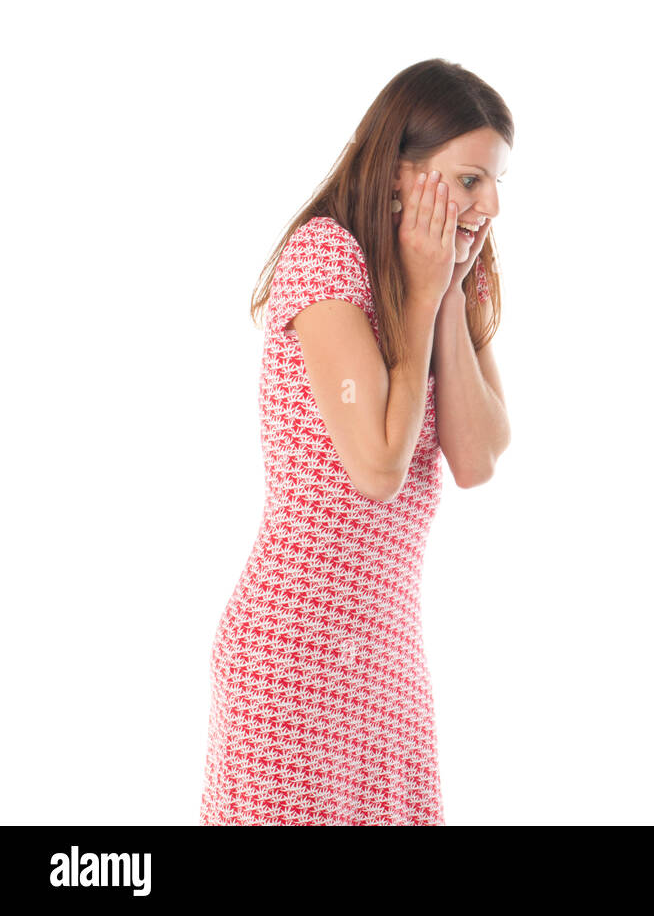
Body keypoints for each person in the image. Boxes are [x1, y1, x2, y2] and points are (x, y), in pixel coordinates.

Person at [201, 59, 512, 825]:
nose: (492, 204)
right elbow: (377, 465)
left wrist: (440, 298)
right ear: (403, 174)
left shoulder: (445, 275)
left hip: (386, 665)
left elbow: (476, 459)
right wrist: (419, 296)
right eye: (470, 180)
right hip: (294, 658)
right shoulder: (325, 256)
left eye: (500, 182)